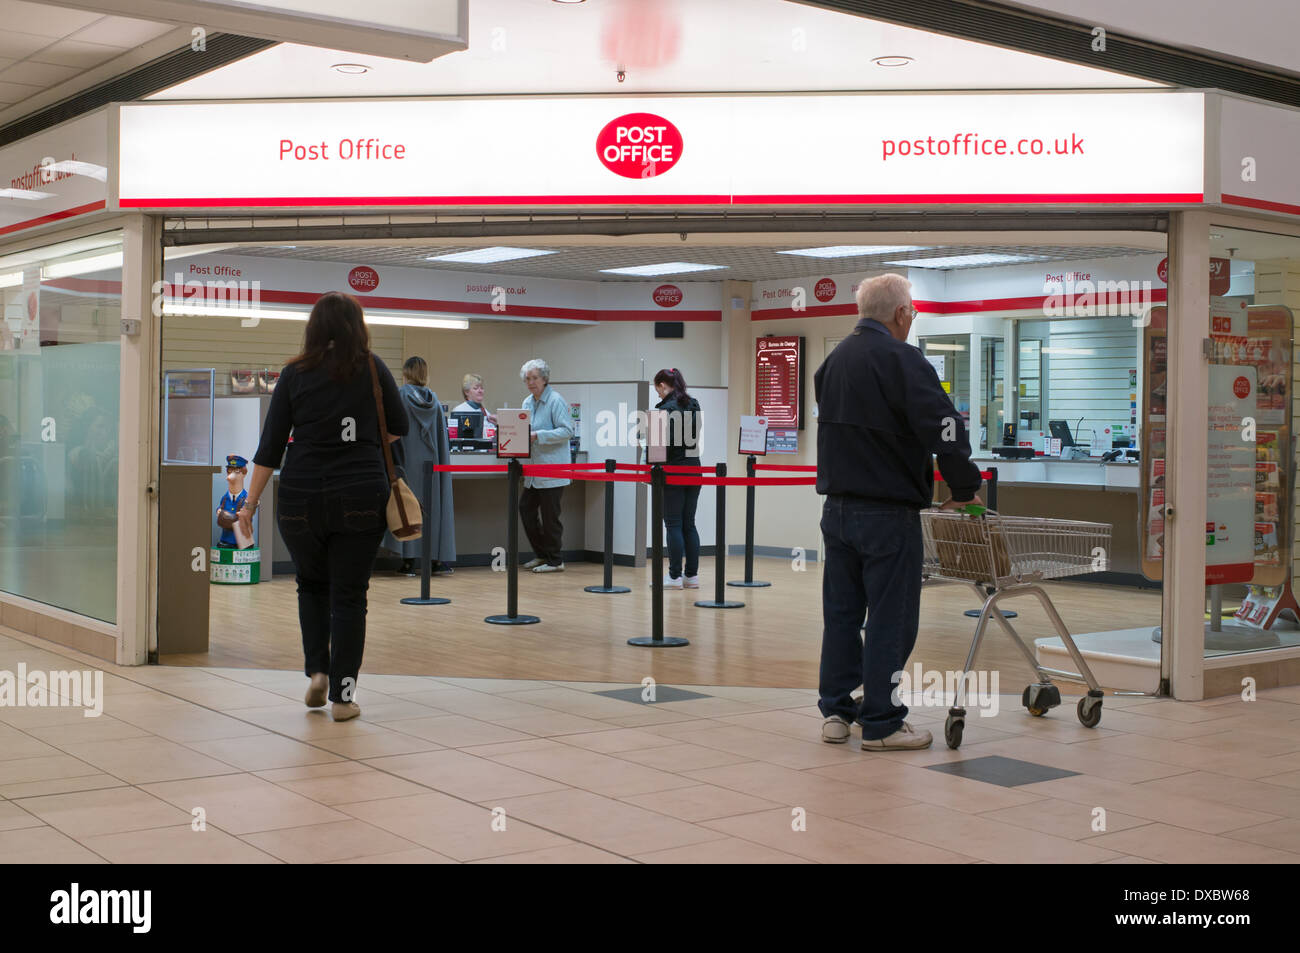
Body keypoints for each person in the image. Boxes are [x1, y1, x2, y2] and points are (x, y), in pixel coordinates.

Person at [814, 273, 982, 751]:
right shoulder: (904, 360)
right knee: (891, 617)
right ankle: (882, 722)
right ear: (902, 314)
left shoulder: (833, 361)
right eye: (912, 313)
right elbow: (945, 428)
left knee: (842, 615)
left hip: (837, 512)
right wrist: (965, 486)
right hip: (888, 514)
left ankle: (836, 713)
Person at [237, 291, 409, 723]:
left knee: (310, 586)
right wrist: (361, 441)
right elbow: (398, 428)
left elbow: (269, 448)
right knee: (350, 597)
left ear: (313, 327)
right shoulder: (372, 366)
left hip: (301, 497)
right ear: (358, 326)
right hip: (359, 494)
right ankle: (343, 696)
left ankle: (316, 669)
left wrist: (250, 504)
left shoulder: (294, 373)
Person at [386, 356, 456, 577]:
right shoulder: (434, 400)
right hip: (432, 464)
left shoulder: (400, 396)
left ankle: (408, 562)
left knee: (406, 508)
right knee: (432, 510)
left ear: (406, 373)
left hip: (407, 461)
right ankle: (434, 560)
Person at [519, 358, 574, 573]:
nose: (531, 382)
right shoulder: (526, 402)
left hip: (552, 469)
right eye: (527, 379)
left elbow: (567, 430)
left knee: (551, 517)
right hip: (533, 470)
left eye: (534, 378)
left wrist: (538, 435)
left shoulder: (555, 400)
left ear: (545, 379)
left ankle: (555, 560)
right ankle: (542, 554)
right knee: (526, 510)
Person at [652, 368, 702, 589]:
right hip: (694, 468)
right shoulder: (694, 404)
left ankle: (673, 577)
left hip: (672, 471)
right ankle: (691, 576)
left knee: (673, 523)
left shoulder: (662, 410)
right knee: (689, 523)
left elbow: (657, 451)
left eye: (658, 390)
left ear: (663, 385)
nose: (658, 395)